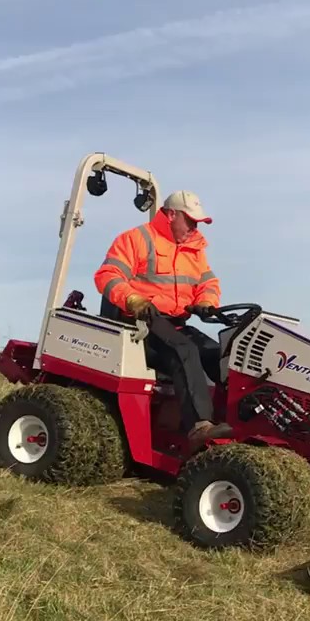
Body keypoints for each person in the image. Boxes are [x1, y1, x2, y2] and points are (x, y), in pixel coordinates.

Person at [94, 189, 232, 447]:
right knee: (185, 350)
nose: (194, 227)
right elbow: (108, 275)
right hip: (141, 322)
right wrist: (133, 300)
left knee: (217, 354)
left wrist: (205, 303)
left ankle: (235, 420)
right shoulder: (137, 239)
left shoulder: (194, 249)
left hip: (176, 323)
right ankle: (200, 426)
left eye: (198, 223)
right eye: (190, 221)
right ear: (171, 215)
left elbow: (208, 283)